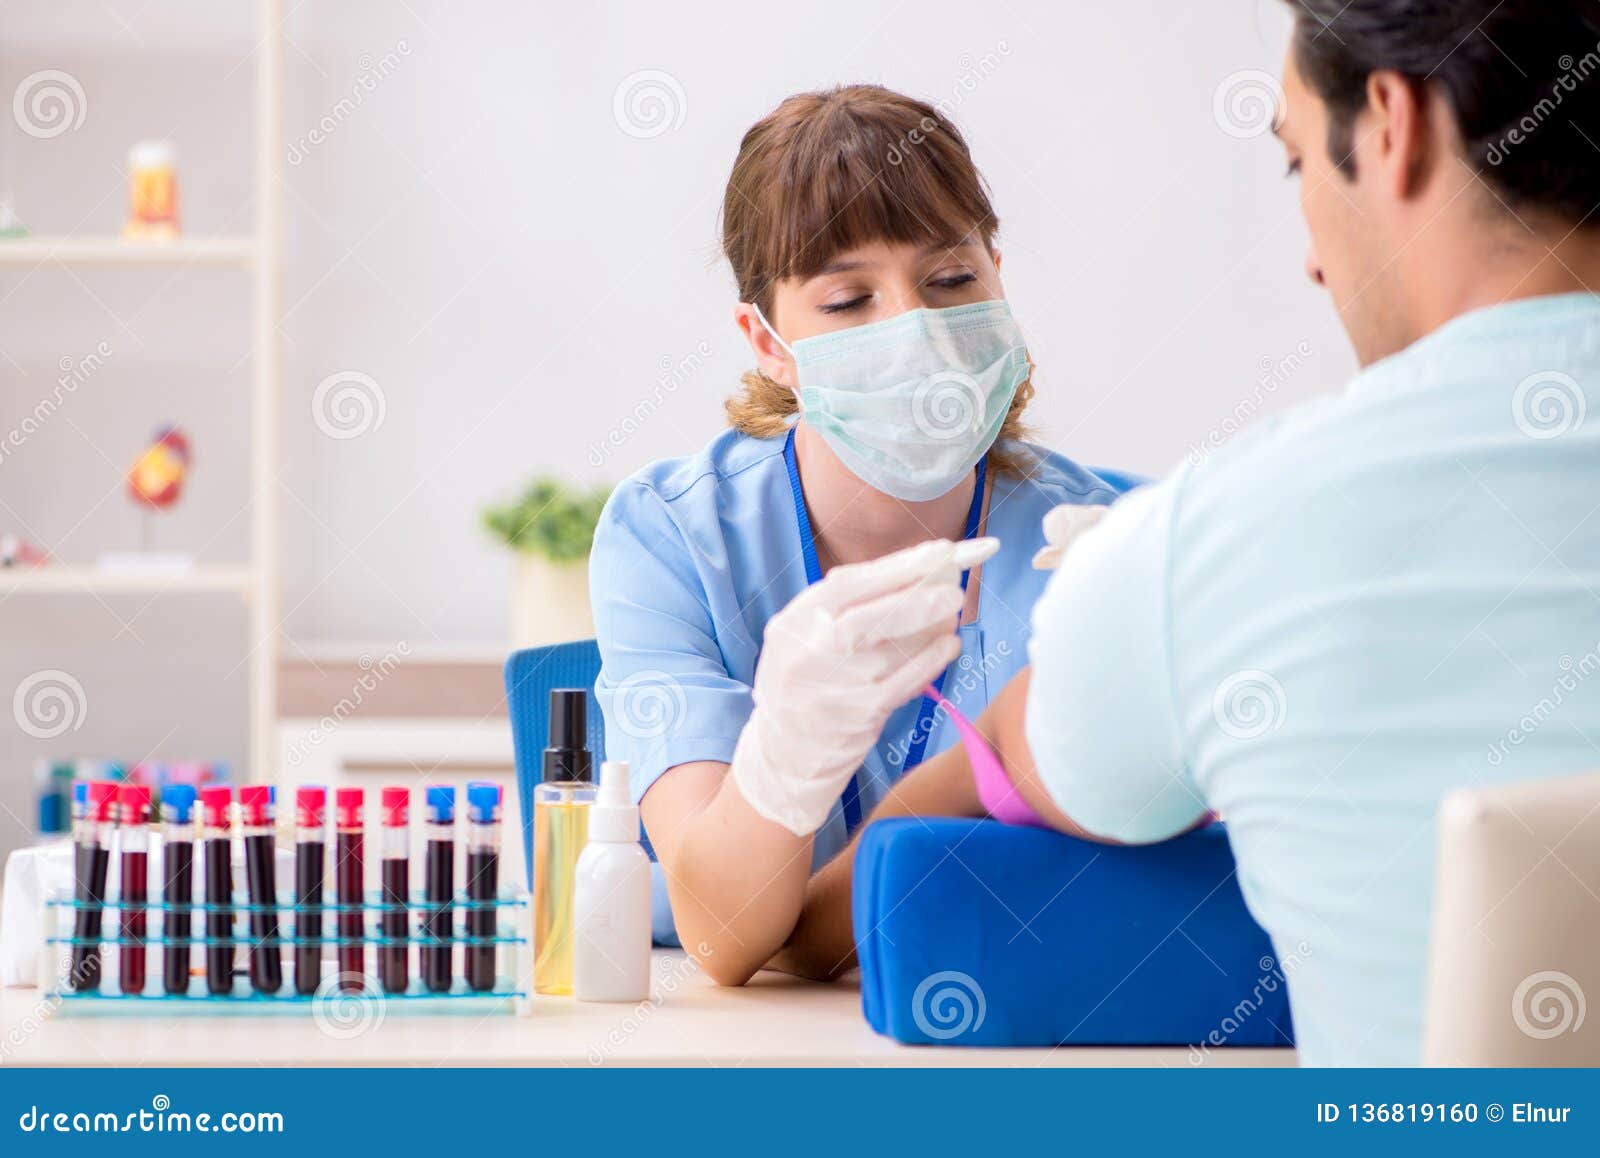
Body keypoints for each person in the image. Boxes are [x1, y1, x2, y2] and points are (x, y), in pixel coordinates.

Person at [786, 0, 1600, 1065]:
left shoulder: (1209, 540)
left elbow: (930, 832)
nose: (1313, 259)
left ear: (1391, 126)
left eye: (1295, 163)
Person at [588, 84, 1120, 985]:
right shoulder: (674, 536)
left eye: (952, 282)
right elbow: (729, 939)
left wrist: (977, 757)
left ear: (998, 277)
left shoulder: (1098, 542)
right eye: (846, 301)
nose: (915, 329)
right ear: (767, 342)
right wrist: (791, 747)